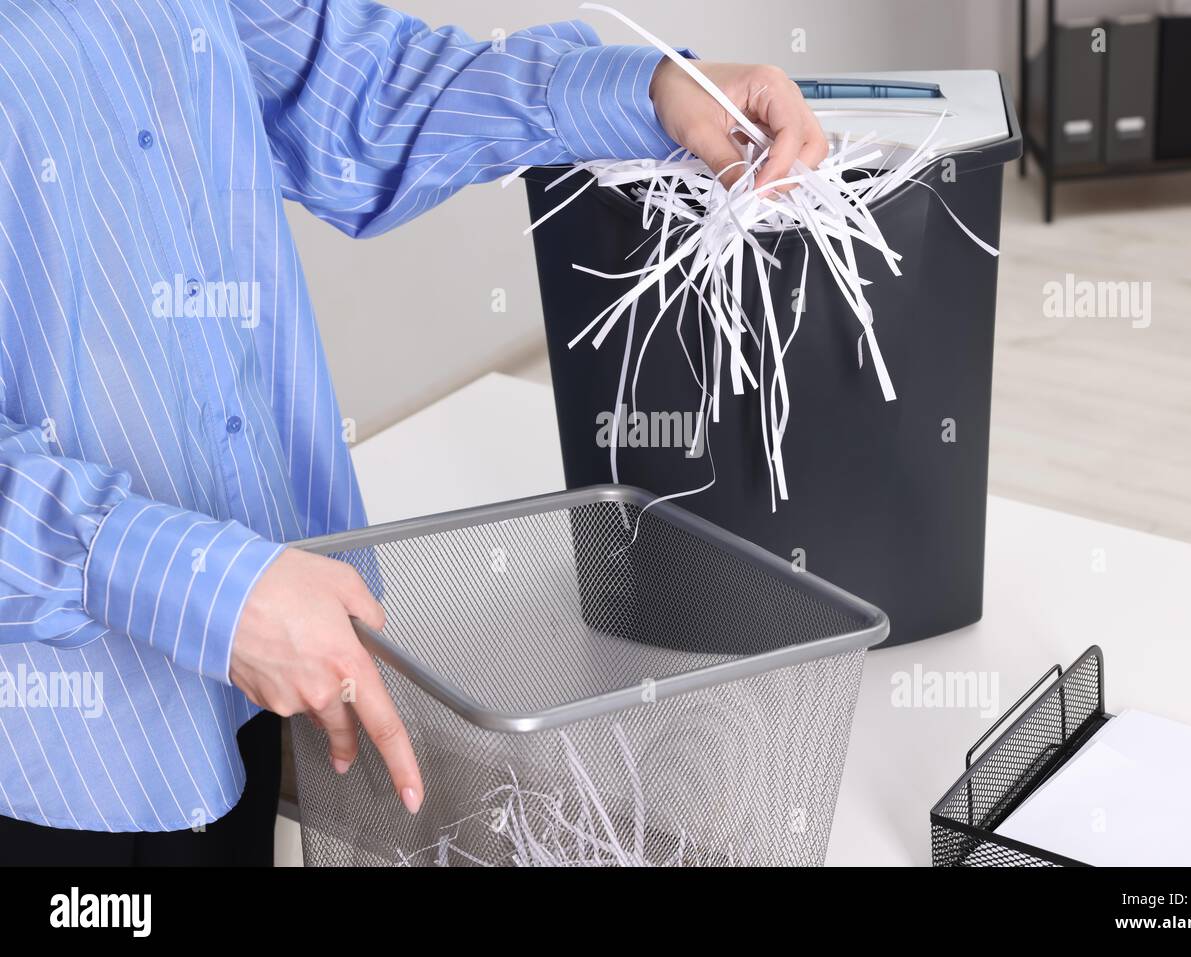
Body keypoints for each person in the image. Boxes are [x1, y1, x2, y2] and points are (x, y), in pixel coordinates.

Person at [0, 0, 827, 865]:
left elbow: (338, 86)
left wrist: (649, 90)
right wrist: (196, 585)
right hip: (57, 751)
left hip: (265, 662)